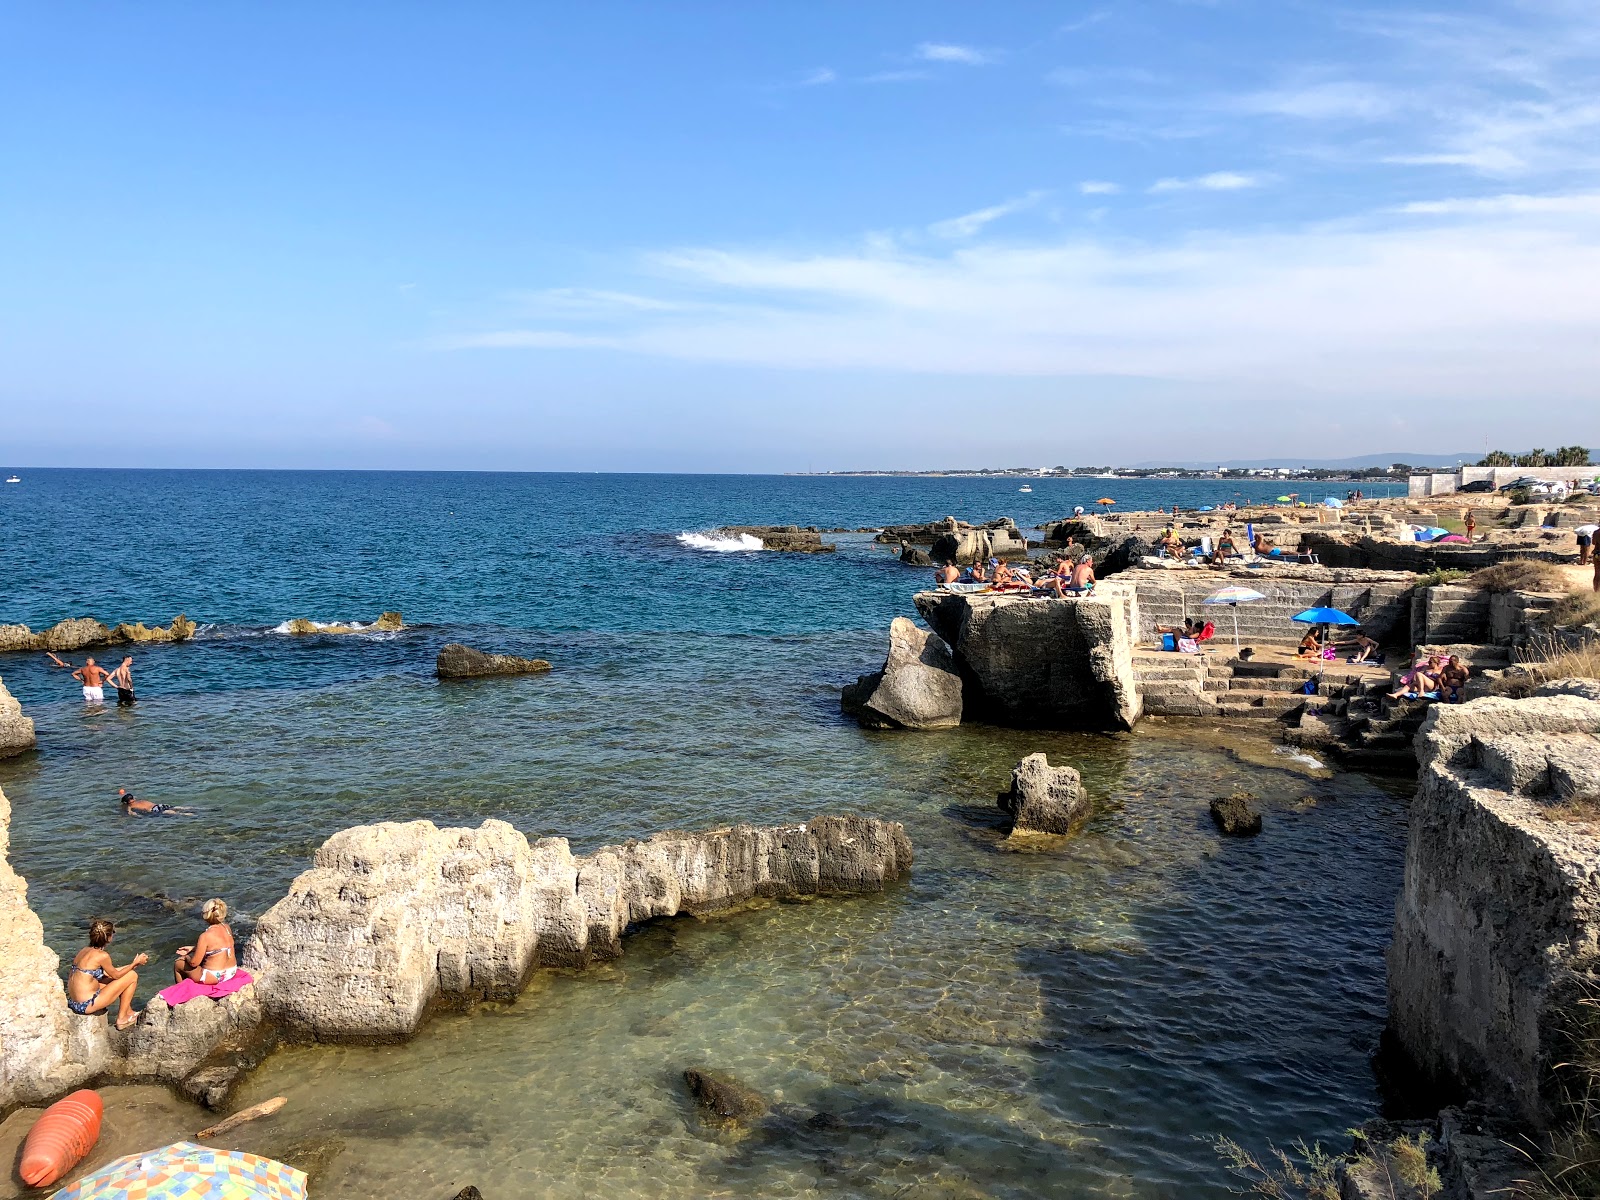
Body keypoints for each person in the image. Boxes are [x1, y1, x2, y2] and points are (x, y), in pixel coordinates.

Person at [66, 918, 147, 1030]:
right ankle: (122, 1019)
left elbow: (110, 972)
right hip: (86, 1004)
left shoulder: (84, 951)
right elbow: (116, 975)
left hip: (74, 1002)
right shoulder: (102, 956)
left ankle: (128, 1011)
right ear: (108, 938)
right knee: (132, 976)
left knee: (124, 977)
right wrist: (135, 963)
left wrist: (132, 965)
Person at [174, 898, 237, 986]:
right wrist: (193, 949)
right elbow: (216, 947)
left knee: (178, 964)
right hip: (231, 972)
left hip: (215, 976)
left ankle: (181, 990)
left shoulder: (205, 936)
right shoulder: (226, 928)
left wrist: (186, 957)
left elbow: (194, 963)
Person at [118, 787, 192, 816]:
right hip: (159, 805)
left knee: (172, 813)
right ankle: (193, 808)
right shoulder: (140, 800)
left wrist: (137, 816)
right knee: (178, 807)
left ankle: (187, 814)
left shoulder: (130, 806)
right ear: (133, 798)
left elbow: (131, 812)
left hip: (154, 809)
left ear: (126, 802)